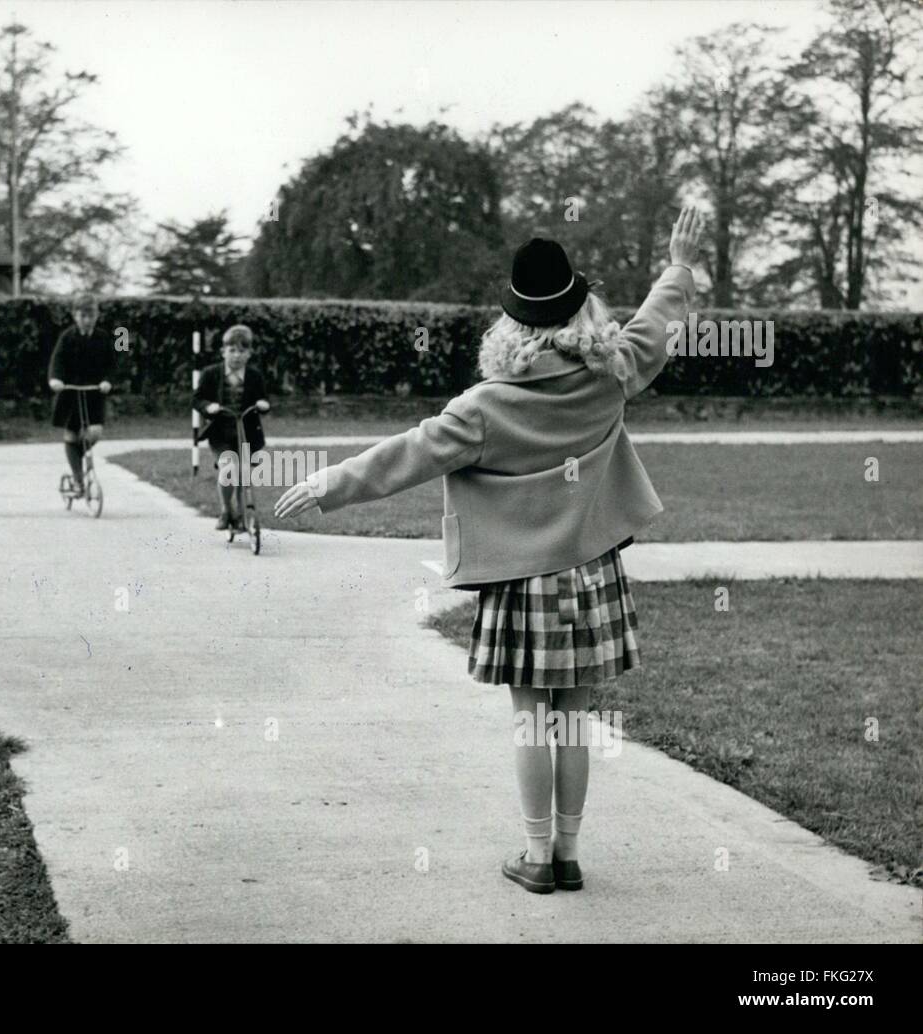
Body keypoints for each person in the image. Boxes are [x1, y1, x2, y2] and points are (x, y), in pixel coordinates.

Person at [276, 206, 706, 894]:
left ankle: (536, 857)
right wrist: (679, 264)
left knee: (533, 721)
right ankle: (567, 854)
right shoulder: (610, 373)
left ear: (512, 320)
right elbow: (654, 326)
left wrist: (331, 482)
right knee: (574, 719)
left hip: (521, 585)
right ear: (581, 309)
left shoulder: (483, 406)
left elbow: (405, 455)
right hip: (592, 576)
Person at [192, 325, 271, 530]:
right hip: (221, 431)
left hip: (247, 431)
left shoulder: (254, 376)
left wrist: (263, 405)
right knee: (228, 468)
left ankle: (244, 515)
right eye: (232, 351)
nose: (237, 356)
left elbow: (263, 399)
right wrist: (209, 407)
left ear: (249, 354)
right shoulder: (211, 374)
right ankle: (226, 511)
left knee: (244, 473)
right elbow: (197, 399)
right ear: (223, 352)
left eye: (242, 351)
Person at [47, 294, 115, 496]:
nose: (87, 320)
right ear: (75, 316)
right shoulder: (67, 337)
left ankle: (75, 459)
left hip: (94, 393)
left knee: (93, 433)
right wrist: (55, 380)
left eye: (91, 315)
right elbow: (56, 361)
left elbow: (112, 363)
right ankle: (78, 480)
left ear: (97, 315)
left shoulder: (104, 337)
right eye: (83, 315)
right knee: (71, 436)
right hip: (70, 394)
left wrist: (107, 381)